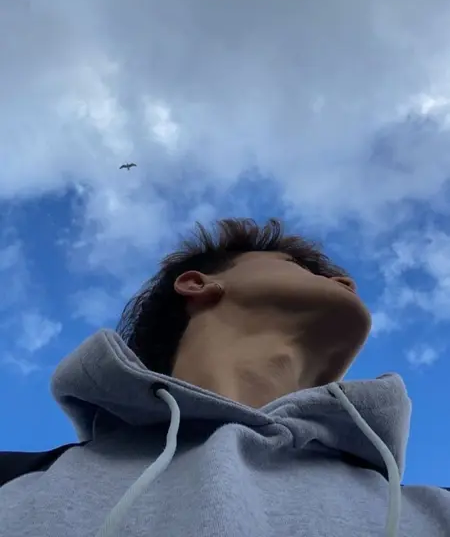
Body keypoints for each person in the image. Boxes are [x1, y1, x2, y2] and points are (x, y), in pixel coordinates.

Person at [0, 218, 448, 537]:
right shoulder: (13, 480)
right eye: (300, 265)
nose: (347, 281)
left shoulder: (436, 509)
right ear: (196, 284)